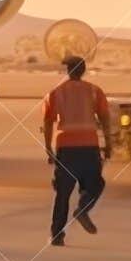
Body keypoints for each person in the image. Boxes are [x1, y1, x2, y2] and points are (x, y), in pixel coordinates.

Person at [42, 56, 111, 246]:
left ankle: (57, 235)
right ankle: (83, 208)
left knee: (62, 193)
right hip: (89, 146)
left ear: (68, 71)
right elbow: (105, 118)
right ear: (84, 70)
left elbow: (48, 121)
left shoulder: (56, 92)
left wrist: (48, 147)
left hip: (66, 148)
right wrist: (109, 143)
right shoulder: (95, 91)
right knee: (95, 185)